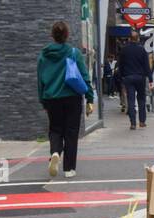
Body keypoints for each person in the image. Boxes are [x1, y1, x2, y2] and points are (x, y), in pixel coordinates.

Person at [36, 21, 94, 179]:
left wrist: (43, 100)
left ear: (52, 35)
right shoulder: (73, 53)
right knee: (71, 132)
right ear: (67, 35)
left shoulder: (43, 55)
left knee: (55, 129)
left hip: (52, 98)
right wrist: (90, 97)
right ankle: (69, 169)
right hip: (72, 98)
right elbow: (84, 76)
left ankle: (55, 152)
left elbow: (40, 80)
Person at [117, 30, 150, 129]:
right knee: (141, 99)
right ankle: (142, 121)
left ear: (129, 39)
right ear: (138, 39)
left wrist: (121, 77)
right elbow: (146, 65)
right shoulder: (142, 50)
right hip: (140, 77)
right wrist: (150, 78)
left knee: (131, 100)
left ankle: (133, 123)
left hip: (128, 77)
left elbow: (120, 65)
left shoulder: (124, 50)